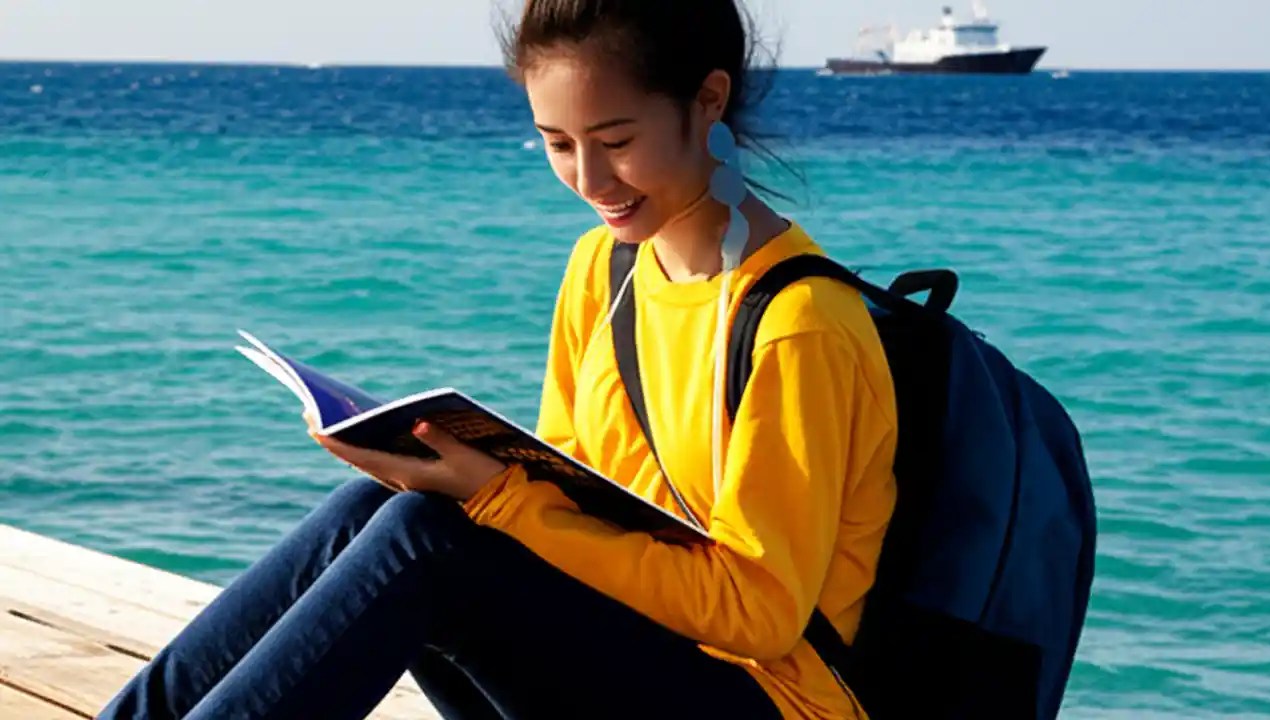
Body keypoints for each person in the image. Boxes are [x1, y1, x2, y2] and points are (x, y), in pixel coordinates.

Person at [98, 0, 898, 718]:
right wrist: (437, 467)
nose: (589, 180)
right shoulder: (607, 266)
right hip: (628, 656)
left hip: (767, 696)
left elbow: (757, 616)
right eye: (557, 143)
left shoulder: (798, 325)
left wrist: (498, 499)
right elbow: (573, 483)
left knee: (430, 537)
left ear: (709, 101)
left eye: (616, 141)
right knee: (370, 513)